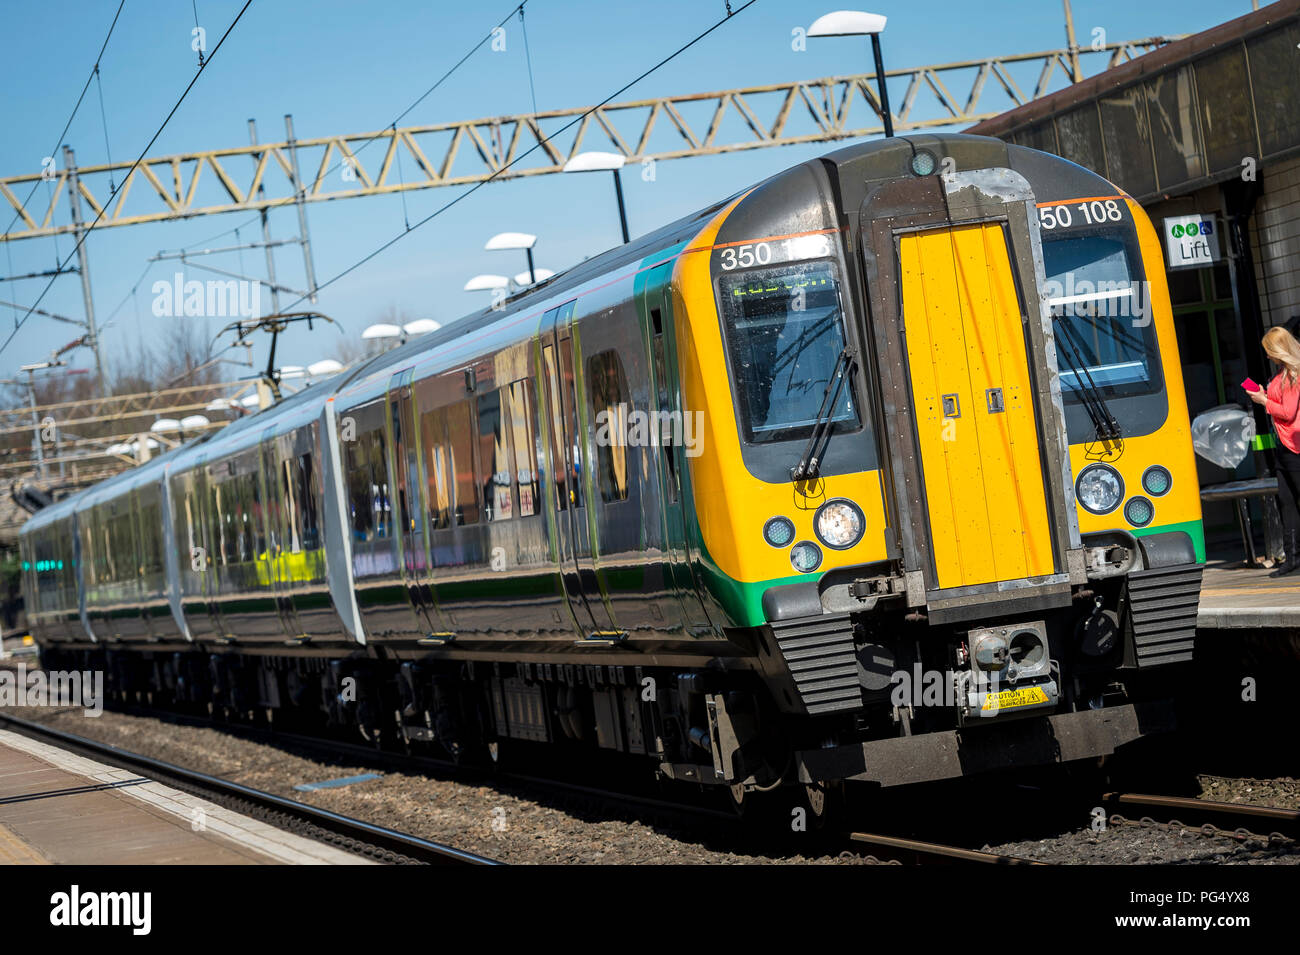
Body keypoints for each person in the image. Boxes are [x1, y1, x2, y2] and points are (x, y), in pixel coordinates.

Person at [1247, 326, 1300, 576]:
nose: (1267, 356)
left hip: (1295, 447)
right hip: (1285, 446)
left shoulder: (1292, 374)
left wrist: (1264, 401)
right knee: (1288, 503)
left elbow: (1288, 412)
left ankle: (1293, 558)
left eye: (1269, 351)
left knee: (1291, 502)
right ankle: (1292, 558)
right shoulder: (1283, 374)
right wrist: (1264, 394)